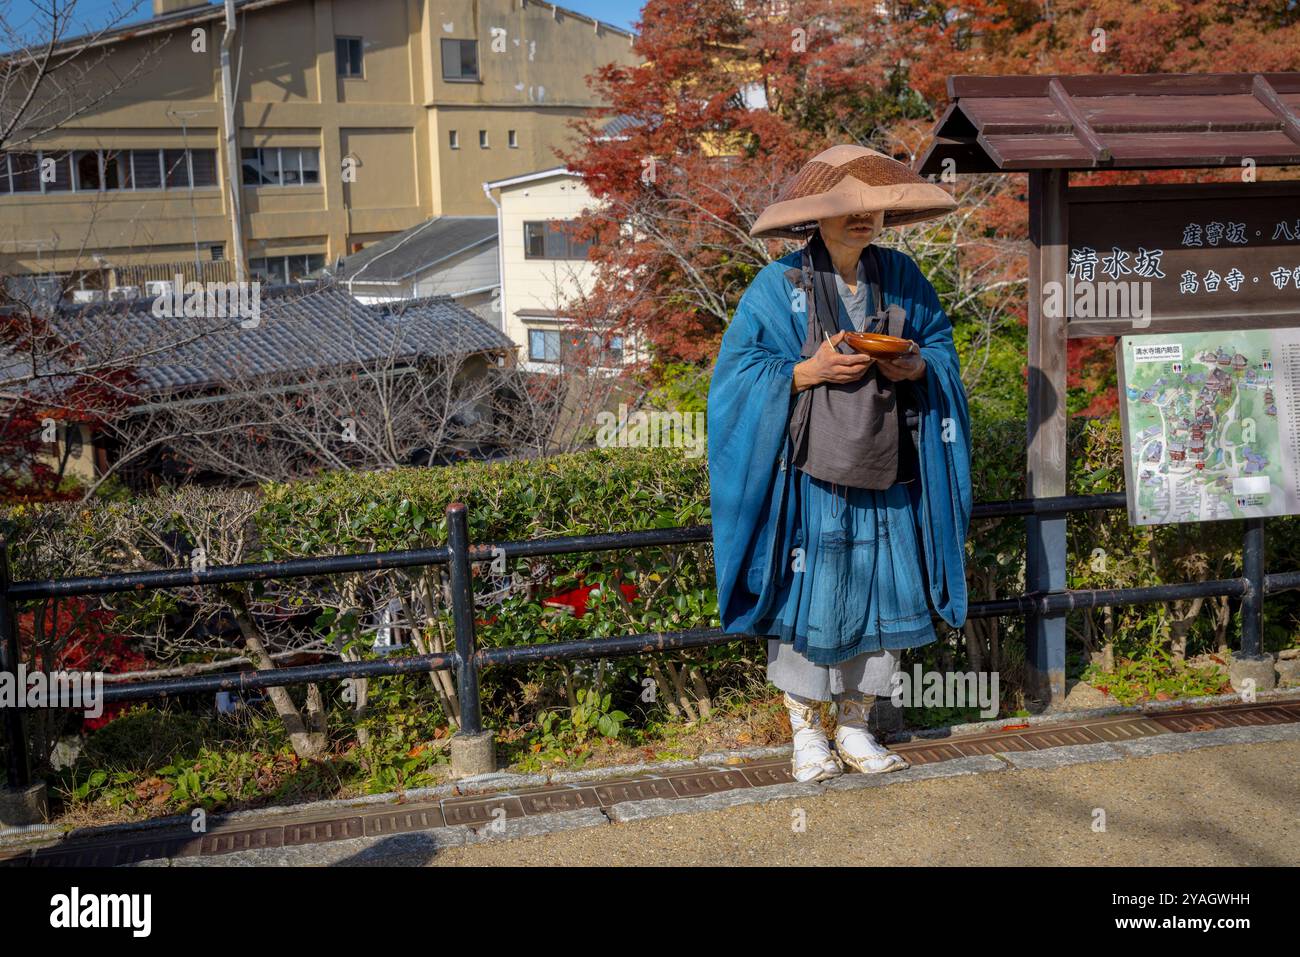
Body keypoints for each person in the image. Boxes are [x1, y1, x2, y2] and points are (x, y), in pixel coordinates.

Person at [707, 144, 972, 782]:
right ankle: (806, 737)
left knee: (883, 596)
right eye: (847, 209)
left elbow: (939, 349)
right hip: (808, 477)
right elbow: (736, 377)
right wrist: (808, 370)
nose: (864, 218)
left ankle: (855, 728)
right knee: (808, 598)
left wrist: (916, 366)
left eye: (873, 208)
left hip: (889, 466)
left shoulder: (903, 277)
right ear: (814, 218)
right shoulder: (778, 286)